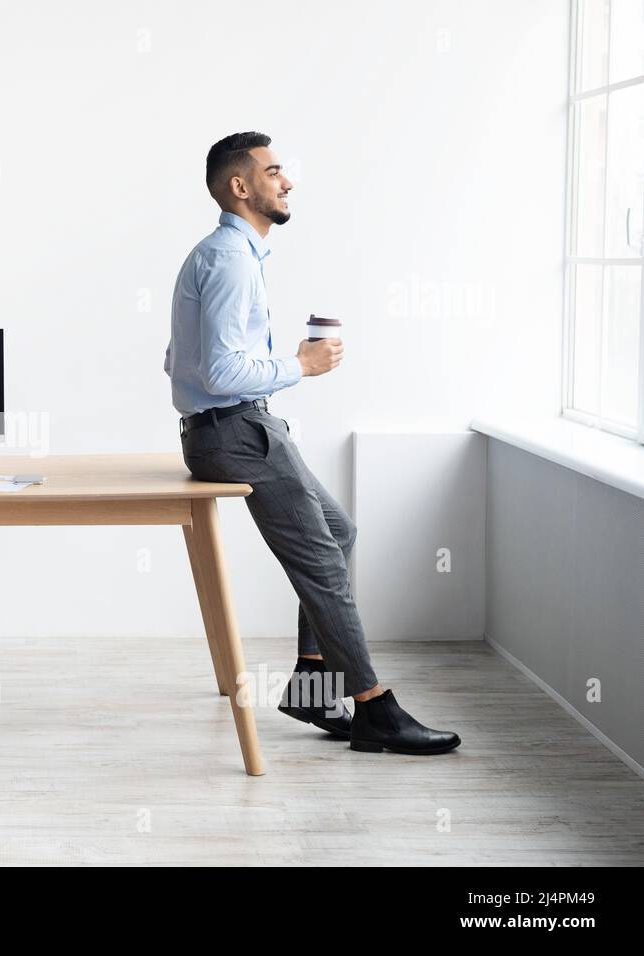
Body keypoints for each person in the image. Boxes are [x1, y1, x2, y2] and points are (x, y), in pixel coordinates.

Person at [164, 131, 460, 756]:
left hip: (241, 427)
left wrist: (279, 365)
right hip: (237, 432)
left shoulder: (229, 256)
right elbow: (219, 374)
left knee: (339, 532)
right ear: (240, 186)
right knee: (324, 563)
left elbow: (181, 360)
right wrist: (301, 365)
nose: (288, 181)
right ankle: (376, 709)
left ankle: (311, 683)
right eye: (274, 172)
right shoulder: (231, 260)